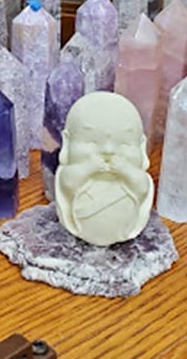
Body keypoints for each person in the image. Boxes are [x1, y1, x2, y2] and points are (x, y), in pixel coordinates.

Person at [55, 92, 154, 246]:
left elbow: (142, 188)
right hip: (81, 219)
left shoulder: (136, 176)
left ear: (141, 146)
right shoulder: (70, 172)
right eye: (91, 142)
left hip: (125, 226)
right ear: (67, 143)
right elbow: (68, 183)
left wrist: (126, 171)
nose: (108, 150)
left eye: (124, 143)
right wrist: (88, 168)